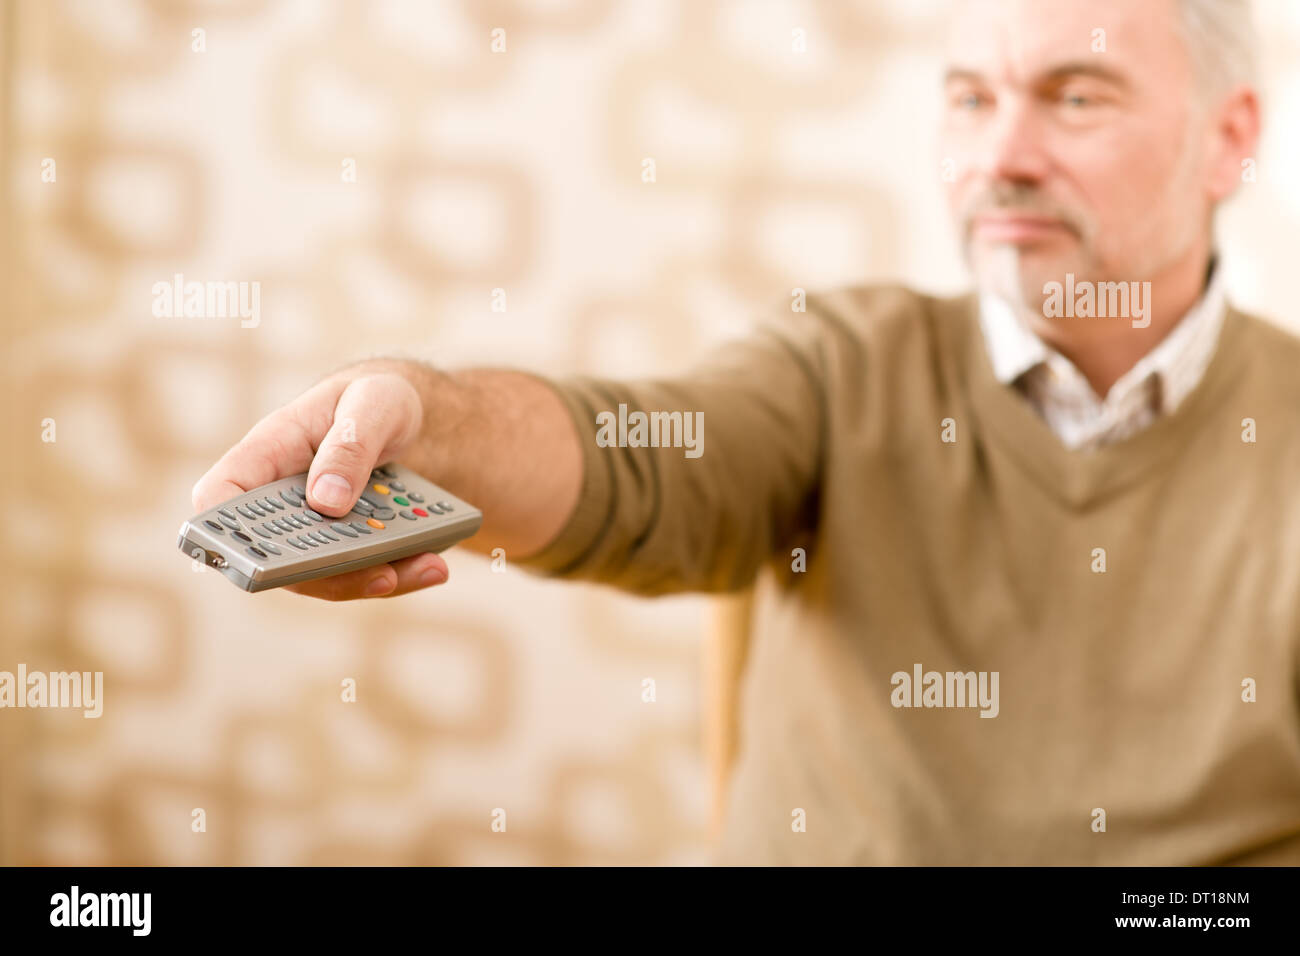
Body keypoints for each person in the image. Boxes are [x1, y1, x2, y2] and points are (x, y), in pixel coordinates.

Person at [193, 0, 1300, 864]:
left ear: (1226, 138)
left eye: (1074, 97)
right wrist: (429, 418)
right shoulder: (842, 364)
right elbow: (641, 455)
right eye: (969, 98)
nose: (1000, 154)